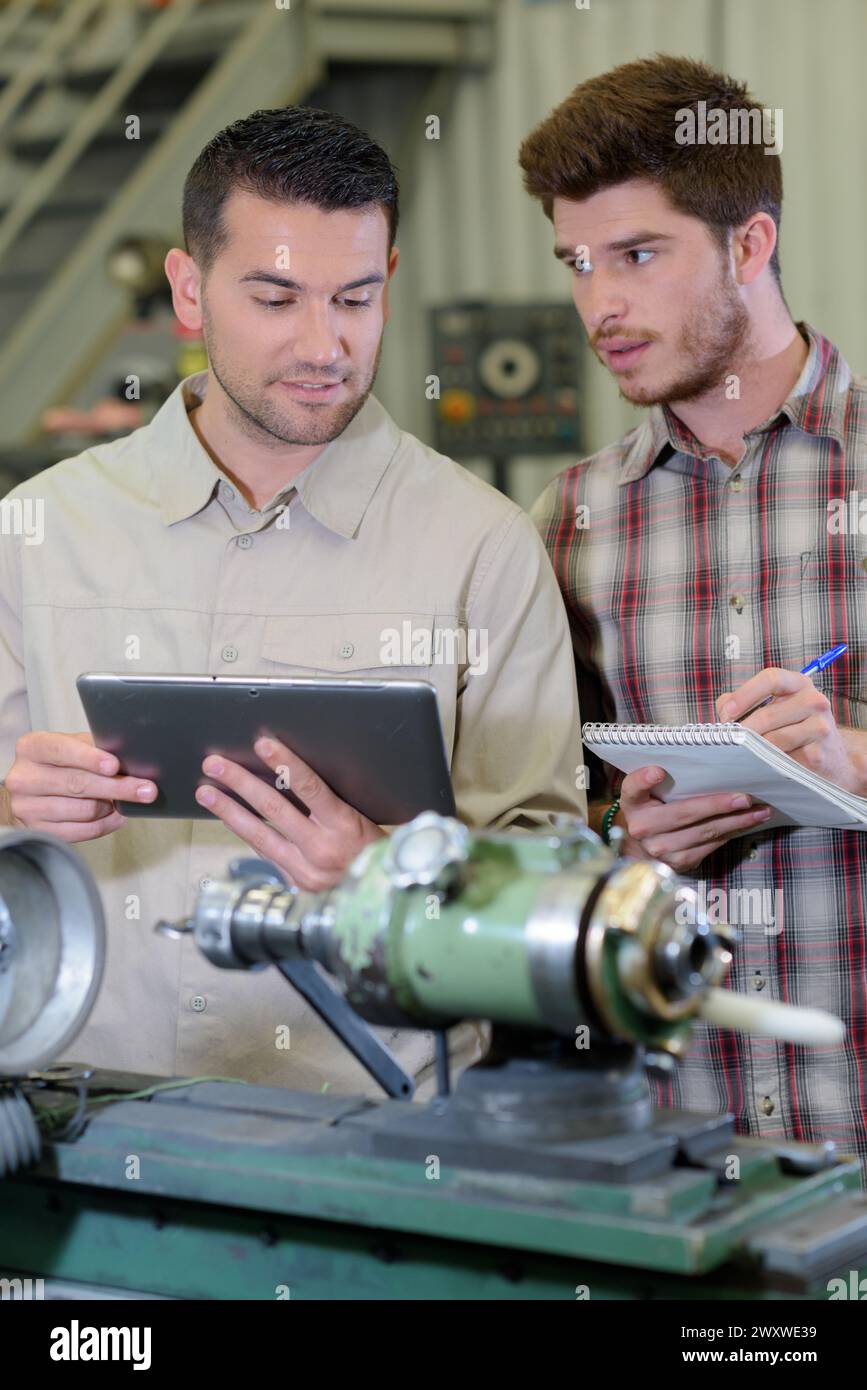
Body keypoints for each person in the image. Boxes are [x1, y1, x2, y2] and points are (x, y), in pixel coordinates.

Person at [0, 106, 584, 1096]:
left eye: (354, 298)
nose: (325, 344)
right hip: (72, 1127)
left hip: (374, 1142)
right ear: (189, 292)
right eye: (275, 298)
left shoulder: (482, 547)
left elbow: (557, 882)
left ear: (388, 283)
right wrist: (11, 803)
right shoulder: (37, 531)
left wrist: (381, 865)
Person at [521, 56, 867, 1159]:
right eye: (578, 264)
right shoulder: (566, 523)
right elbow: (528, 837)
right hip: (685, 1169)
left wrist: (851, 763)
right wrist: (622, 841)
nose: (598, 306)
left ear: (749, 244)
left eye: (637, 255)